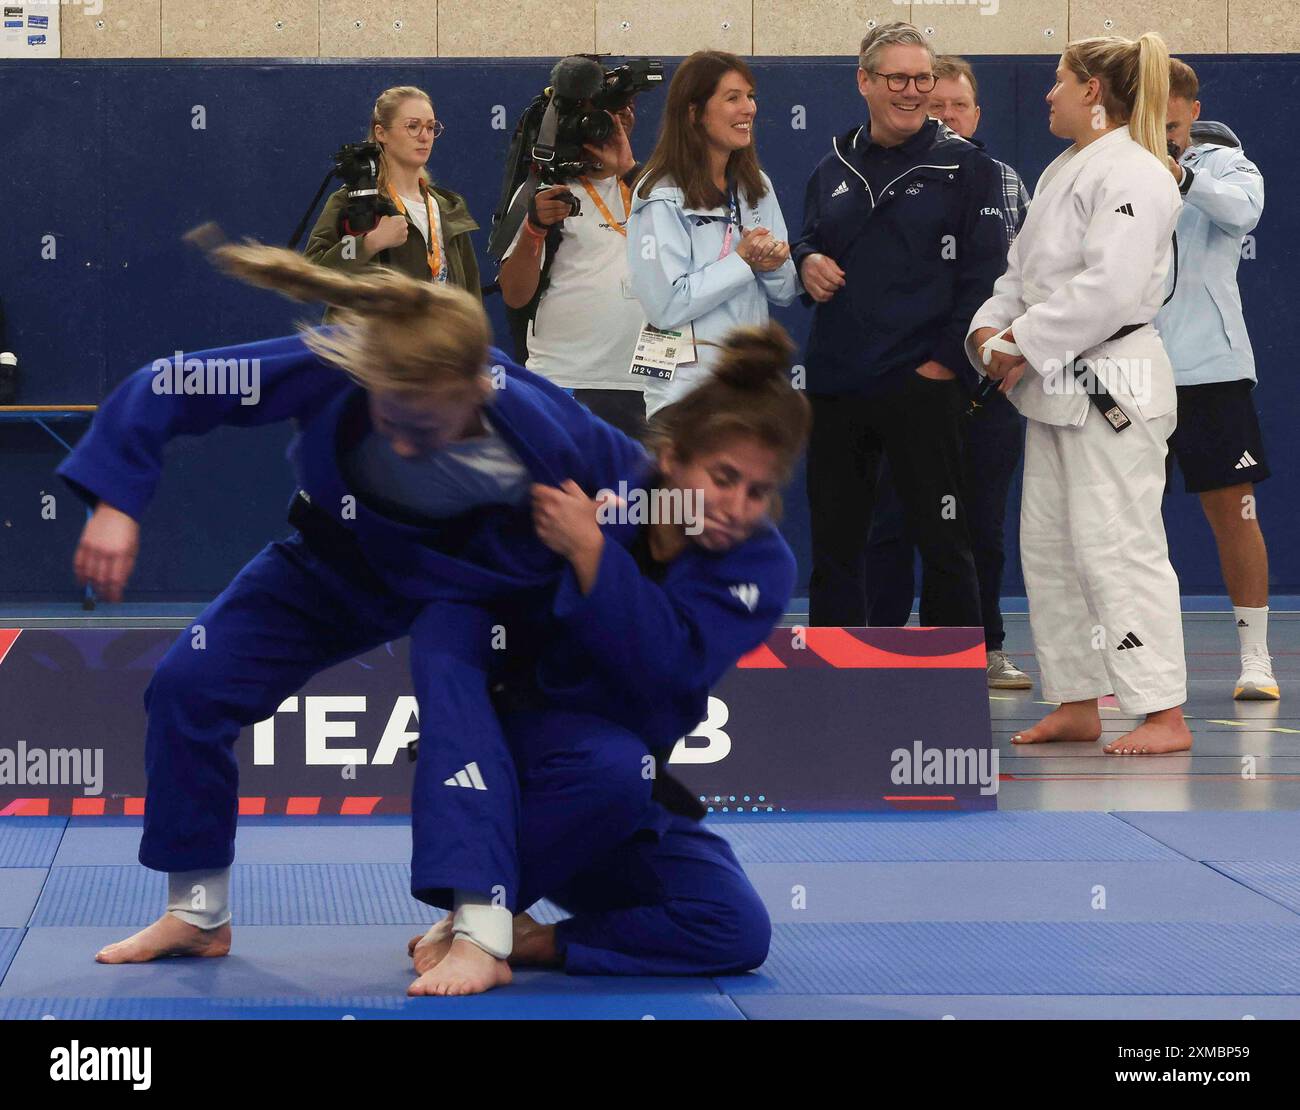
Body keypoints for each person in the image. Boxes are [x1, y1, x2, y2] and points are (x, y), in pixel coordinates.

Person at [58, 243, 653, 994]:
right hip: (334, 560)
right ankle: (198, 913)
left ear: (477, 387)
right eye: (390, 418)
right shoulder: (337, 369)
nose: (402, 441)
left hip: (461, 587)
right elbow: (168, 382)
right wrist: (115, 501)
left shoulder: (538, 417)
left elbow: (648, 486)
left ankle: (480, 933)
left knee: (459, 711)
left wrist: (606, 522)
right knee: (188, 683)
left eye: (424, 425)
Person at [409, 322, 810, 978]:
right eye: (724, 477)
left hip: (625, 794)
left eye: (758, 492)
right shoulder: (614, 477)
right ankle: (476, 918)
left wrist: (591, 551)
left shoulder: (763, 565)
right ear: (673, 459)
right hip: (522, 760)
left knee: (736, 928)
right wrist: (472, 369)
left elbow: (668, 667)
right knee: (613, 767)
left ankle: (527, 938)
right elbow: (548, 410)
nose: (738, 506)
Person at [969, 33, 1193, 756]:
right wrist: (988, 332)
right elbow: (1020, 277)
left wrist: (1022, 343)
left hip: (1113, 382)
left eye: (1060, 81)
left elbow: (1111, 289)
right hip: (1055, 385)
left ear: (1093, 91)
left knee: (1120, 548)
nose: (1049, 94)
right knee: (1053, 549)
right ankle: (1076, 698)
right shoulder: (1069, 167)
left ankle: (1163, 712)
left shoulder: (1135, 171)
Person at [793, 21, 1008, 631]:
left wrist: (942, 363)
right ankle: (837, 681)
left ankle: (949, 688)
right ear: (865, 81)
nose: (912, 91)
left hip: (924, 386)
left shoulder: (966, 168)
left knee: (945, 542)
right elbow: (811, 237)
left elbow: (986, 277)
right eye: (898, 78)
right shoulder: (832, 163)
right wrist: (805, 258)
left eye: (923, 78)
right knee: (838, 546)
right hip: (839, 385)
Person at [865, 53, 1033, 689]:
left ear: (977, 113)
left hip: (988, 384)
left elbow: (1033, 282)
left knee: (980, 526)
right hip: (900, 384)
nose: (947, 116)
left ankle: (975, 647)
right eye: (936, 106)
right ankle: (875, 645)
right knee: (889, 521)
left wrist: (1013, 351)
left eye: (957, 105)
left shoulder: (1006, 182)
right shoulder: (885, 177)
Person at [1158, 58, 1276, 701]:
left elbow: (1241, 214)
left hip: (1212, 371)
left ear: (1193, 113)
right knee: (1127, 522)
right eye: (1156, 122)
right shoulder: (1110, 164)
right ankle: (1135, 666)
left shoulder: (1230, 163)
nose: (1166, 132)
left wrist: (1179, 172)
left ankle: (1256, 658)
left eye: (1175, 123)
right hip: (1129, 371)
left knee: (1234, 513)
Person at [627, 51, 798, 418]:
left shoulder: (756, 186)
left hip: (750, 392)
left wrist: (775, 264)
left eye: (750, 96)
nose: (749, 108)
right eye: (732, 97)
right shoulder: (660, 193)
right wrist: (743, 261)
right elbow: (666, 306)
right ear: (694, 113)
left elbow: (784, 293)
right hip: (686, 398)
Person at [499, 100, 649, 438]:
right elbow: (514, 295)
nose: (617, 120)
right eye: (606, 113)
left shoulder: (656, 189)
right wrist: (534, 229)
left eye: (625, 109)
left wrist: (628, 169)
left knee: (646, 493)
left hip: (649, 385)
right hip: (565, 378)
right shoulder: (544, 191)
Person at [305, 86, 481, 315]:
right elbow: (312, 277)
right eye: (412, 126)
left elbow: (471, 295)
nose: (424, 136)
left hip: (438, 344)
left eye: (430, 127)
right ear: (381, 133)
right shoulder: (351, 201)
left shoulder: (448, 206)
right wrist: (369, 243)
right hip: (372, 344)